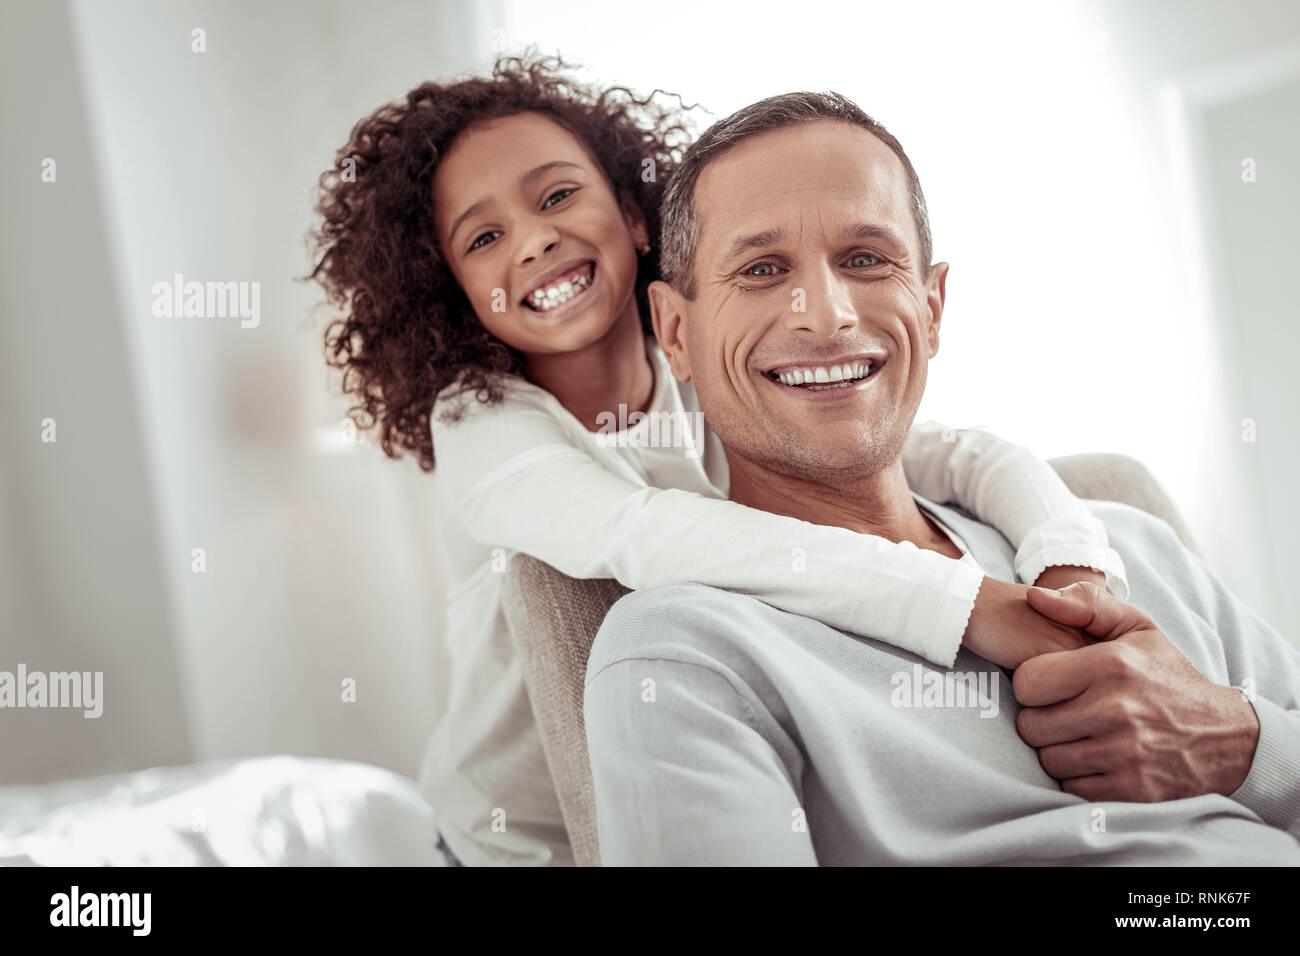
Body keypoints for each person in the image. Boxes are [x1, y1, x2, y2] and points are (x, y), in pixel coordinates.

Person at [309, 55, 1127, 867]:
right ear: (451, 286)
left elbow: (959, 454)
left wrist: (1071, 570)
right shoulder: (477, 426)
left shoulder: (716, 364)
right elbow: (647, 534)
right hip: (515, 846)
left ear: (637, 217)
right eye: (485, 238)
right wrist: (967, 604)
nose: (534, 241)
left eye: (558, 195)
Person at [584, 90, 1300, 865]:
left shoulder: (1133, 545)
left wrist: (1244, 742)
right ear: (676, 332)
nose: (823, 316)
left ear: (932, 308)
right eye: (762, 269)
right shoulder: (685, 655)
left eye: (865, 259)